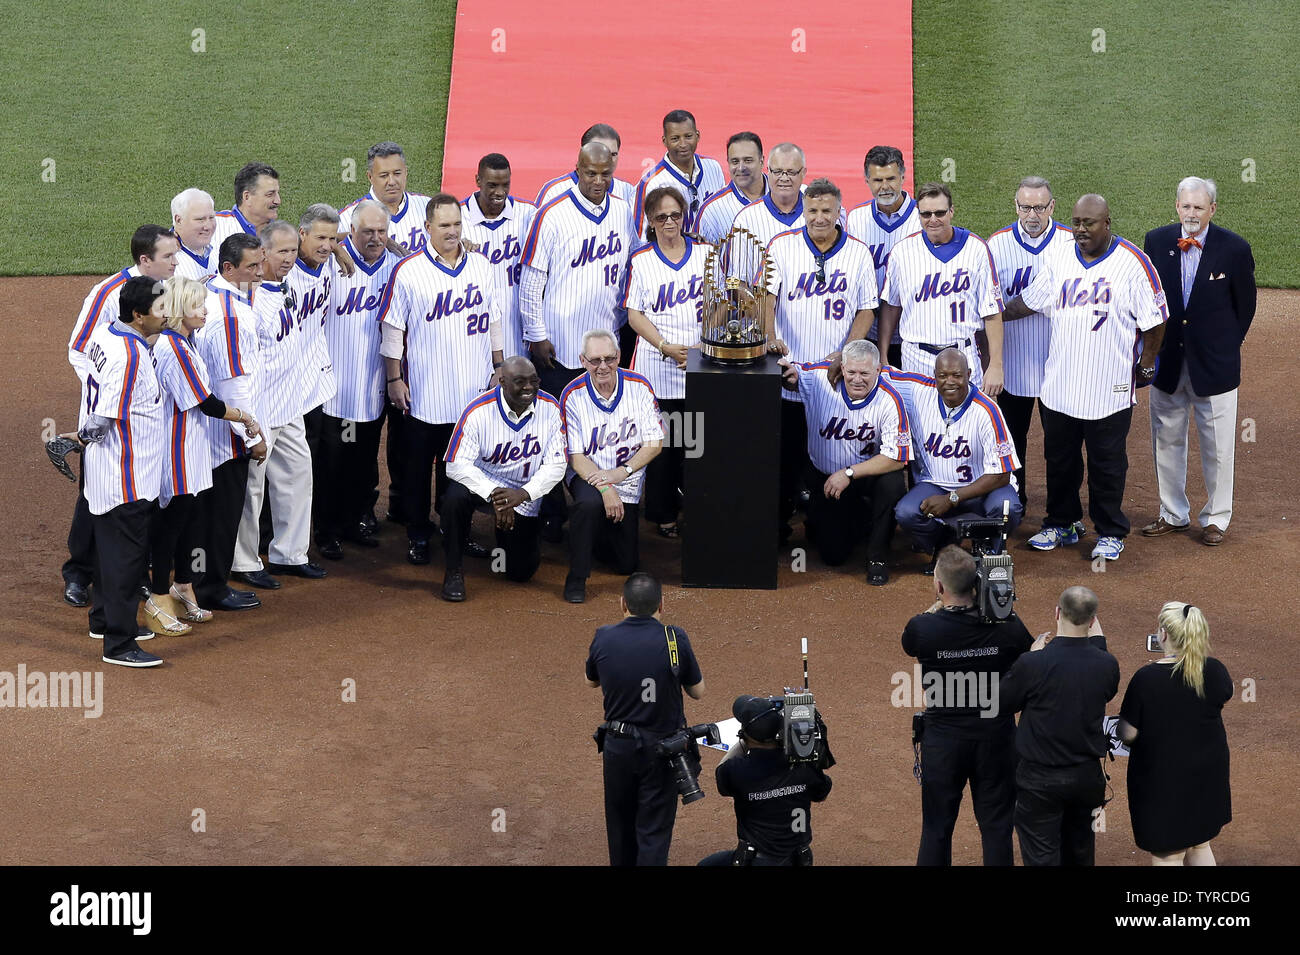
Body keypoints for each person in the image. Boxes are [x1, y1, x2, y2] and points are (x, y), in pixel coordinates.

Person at [1003, 194, 1167, 563]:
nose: (1080, 229)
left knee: (1106, 463)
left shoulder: (1133, 263)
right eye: (1076, 222)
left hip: (1108, 387)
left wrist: (1146, 364)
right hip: (1061, 383)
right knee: (1060, 459)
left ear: (1107, 222)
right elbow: (1030, 301)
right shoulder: (1059, 256)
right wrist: (990, 319)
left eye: (1089, 223)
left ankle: (1110, 530)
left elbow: (1156, 321)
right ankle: (1062, 522)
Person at [379, 193, 504, 567]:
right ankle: (418, 535)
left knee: (462, 471)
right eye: (444, 225)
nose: (452, 231)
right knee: (418, 471)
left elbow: (494, 320)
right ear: (427, 227)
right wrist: (394, 379)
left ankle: (458, 532)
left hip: (472, 392)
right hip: (427, 393)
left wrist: (499, 365)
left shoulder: (482, 266)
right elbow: (391, 331)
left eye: (456, 224)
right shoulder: (409, 270)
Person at [62, 225, 179, 608]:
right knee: (96, 499)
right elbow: (79, 349)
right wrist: (114, 390)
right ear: (145, 261)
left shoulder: (164, 288)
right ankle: (80, 572)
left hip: (143, 411)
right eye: (168, 257)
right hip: (107, 420)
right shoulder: (109, 294)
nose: (176, 263)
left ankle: (125, 578)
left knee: (135, 505)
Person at [1141, 177, 1256, 547]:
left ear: (1212, 209)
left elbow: (1245, 306)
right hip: (1168, 361)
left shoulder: (1234, 248)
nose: (1192, 213)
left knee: (1219, 446)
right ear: (1177, 206)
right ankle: (1173, 513)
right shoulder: (1156, 241)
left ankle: (1216, 518)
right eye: (1186, 206)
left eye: (1199, 207)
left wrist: (1225, 345)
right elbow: (1148, 300)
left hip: (1215, 364)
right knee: (1167, 439)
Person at [902, 546, 1033, 865]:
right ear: (977, 585)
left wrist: (939, 607)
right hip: (996, 739)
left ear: (939, 586)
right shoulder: (1008, 626)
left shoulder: (922, 628)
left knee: (936, 828)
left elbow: (910, 644)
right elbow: (1029, 657)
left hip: (944, 743)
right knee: (997, 828)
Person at [146, 276, 262, 634]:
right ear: (180, 309)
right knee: (171, 527)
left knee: (189, 521)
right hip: (175, 453)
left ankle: (183, 586)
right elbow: (207, 404)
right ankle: (158, 597)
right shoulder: (174, 348)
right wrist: (246, 418)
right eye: (197, 305)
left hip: (190, 451)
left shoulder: (185, 341)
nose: (205, 311)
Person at [765, 178, 878, 536]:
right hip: (790, 371)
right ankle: (780, 524)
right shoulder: (781, 246)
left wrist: (848, 351)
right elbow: (766, 298)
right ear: (804, 210)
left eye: (826, 210)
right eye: (812, 210)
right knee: (786, 452)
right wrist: (771, 340)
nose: (818, 217)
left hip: (835, 378)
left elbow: (867, 309)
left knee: (829, 451)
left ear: (838, 211)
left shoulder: (858, 252)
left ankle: (825, 519)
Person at [68, 277, 171, 666]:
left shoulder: (106, 334)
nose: (167, 315)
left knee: (105, 551)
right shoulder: (130, 355)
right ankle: (120, 643)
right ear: (139, 314)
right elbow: (104, 418)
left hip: (104, 469)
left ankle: (103, 620)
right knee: (126, 557)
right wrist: (79, 435)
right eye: (160, 310)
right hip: (126, 472)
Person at [586, 572, 706, 866]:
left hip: (618, 747)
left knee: (620, 828)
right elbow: (698, 692)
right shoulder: (674, 638)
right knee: (653, 832)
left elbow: (591, 681)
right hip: (662, 751)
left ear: (622, 603)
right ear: (661, 605)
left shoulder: (604, 636)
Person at [229, 220, 322, 591]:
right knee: (253, 489)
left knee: (298, 476)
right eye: (281, 252)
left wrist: (341, 247)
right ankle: (244, 561)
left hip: (290, 403)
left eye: (292, 251)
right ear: (262, 254)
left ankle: (290, 554)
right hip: (260, 410)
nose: (289, 258)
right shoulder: (246, 298)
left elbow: (328, 240)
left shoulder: (292, 283)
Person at [999, 586, 1120, 866]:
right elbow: (1099, 671)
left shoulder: (1032, 663)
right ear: (1092, 621)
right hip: (1086, 779)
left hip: (1039, 781)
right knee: (1080, 854)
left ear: (1056, 614)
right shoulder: (1106, 665)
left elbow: (1004, 703)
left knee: (1042, 858)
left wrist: (1030, 655)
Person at [780, 340, 909, 584]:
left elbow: (896, 459)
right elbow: (792, 372)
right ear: (841, 368)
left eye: (864, 373)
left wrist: (849, 473)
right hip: (825, 478)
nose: (857, 379)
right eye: (851, 372)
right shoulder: (818, 378)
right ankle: (855, 519)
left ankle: (877, 557)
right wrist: (785, 368)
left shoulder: (890, 399)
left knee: (892, 485)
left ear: (878, 371)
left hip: (865, 476)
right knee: (833, 555)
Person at [440, 356, 566, 601]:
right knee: (454, 497)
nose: (528, 387)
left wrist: (521, 495)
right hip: (484, 485)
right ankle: (453, 570)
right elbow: (455, 465)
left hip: (523, 491)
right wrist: (496, 495)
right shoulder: (477, 410)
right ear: (502, 382)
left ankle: (509, 535)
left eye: (533, 381)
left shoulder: (550, 408)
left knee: (520, 573)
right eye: (519, 381)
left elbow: (557, 465)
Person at [623, 186, 709, 539]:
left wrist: (702, 344)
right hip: (658, 367)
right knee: (662, 445)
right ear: (651, 221)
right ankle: (663, 513)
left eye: (676, 214)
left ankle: (696, 507)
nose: (670, 221)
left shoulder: (706, 254)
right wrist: (665, 346)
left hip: (699, 362)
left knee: (696, 444)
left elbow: (722, 302)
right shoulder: (642, 260)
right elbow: (633, 314)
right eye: (662, 217)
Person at [1118, 602, 1232, 865]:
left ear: (1164, 634)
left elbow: (1128, 734)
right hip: (1207, 777)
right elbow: (1222, 696)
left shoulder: (1146, 678)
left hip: (1163, 782)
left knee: (1168, 855)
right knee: (1199, 845)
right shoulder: (1215, 670)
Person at [317, 199, 399, 558]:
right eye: (368, 231)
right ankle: (326, 530)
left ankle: (355, 521)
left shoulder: (397, 266)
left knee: (365, 460)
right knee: (332, 463)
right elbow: (308, 238)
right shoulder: (329, 264)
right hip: (335, 388)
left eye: (382, 231)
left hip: (373, 386)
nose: (376, 237)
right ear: (351, 231)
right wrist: (334, 246)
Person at [191, 234, 269, 612]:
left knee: (204, 512)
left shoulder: (212, 294)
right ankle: (212, 588)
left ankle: (196, 582)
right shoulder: (232, 314)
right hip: (226, 434)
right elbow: (233, 384)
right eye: (251, 267)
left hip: (204, 431)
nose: (259, 272)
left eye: (260, 263)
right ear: (227, 268)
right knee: (221, 515)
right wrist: (251, 433)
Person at [987, 177, 1073, 510]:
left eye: (1039, 207)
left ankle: (1061, 512)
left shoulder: (1070, 243)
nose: (1032, 214)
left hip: (1059, 366)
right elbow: (987, 306)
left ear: (1052, 206)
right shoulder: (996, 245)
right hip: (1011, 364)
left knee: (1061, 445)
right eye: (1025, 207)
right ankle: (1013, 504)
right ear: (1016, 206)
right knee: (1011, 442)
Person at [894, 348, 1022, 573]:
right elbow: (877, 372)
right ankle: (945, 541)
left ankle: (988, 550)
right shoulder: (918, 391)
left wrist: (952, 498)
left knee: (1007, 508)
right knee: (906, 512)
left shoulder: (987, 410)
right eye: (942, 376)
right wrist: (839, 361)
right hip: (935, 482)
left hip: (985, 489)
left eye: (956, 375)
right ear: (934, 376)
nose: (949, 382)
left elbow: (1002, 474)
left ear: (969, 374)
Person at [560, 330, 664, 603]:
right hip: (588, 474)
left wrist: (621, 473)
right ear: (583, 360)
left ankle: (595, 535)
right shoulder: (572, 394)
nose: (602, 366)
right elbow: (576, 456)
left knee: (625, 564)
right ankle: (577, 577)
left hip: (626, 475)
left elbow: (655, 443)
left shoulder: (639, 385)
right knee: (589, 504)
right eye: (595, 360)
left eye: (609, 358)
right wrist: (606, 488)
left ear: (619, 356)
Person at [877, 182, 1005, 394]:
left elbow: (992, 312)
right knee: (917, 425)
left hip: (963, 356)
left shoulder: (977, 249)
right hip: (916, 359)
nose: (933, 219)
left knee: (966, 425)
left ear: (952, 211)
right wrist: (883, 355)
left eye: (940, 212)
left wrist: (995, 365)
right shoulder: (902, 252)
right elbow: (891, 307)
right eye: (926, 214)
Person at [698, 694, 832, 866]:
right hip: (799, 860)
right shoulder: (803, 766)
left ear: (745, 734)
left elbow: (721, 775)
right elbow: (822, 793)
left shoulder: (737, 770)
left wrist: (742, 743)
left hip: (758, 862)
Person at [846, 145, 922, 367]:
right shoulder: (856, 219)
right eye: (878, 180)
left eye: (891, 178)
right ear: (867, 180)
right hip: (867, 327)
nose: (885, 186)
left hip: (911, 329)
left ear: (903, 176)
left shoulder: (923, 218)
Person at [461, 153, 537, 358]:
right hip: (475, 323)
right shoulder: (458, 219)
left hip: (518, 319)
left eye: (505, 185)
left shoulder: (528, 214)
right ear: (478, 180)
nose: (500, 192)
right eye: (492, 185)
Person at [633, 109, 726, 237]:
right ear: (665, 141)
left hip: (713, 253)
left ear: (697, 136)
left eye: (688, 136)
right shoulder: (651, 183)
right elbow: (641, 240)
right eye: (675, 138)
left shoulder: (713, 168)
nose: (683, 144)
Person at [339, 141, 432, 255]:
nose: (392, 182)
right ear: (370, 177)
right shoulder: (346, 218)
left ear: (406, 172)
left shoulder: (428, 206)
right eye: (384, 176)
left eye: (397, 173)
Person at [535, 123, 637, 207]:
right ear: (582, 153)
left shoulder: (627, 191)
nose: (606, 159)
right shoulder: (554, 191)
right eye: (598, 152)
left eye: (613, 154)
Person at [696, 131, 767, 244]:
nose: (740, 168)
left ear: (762, 161)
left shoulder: (789, 197)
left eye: (748, 160)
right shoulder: (712, 211)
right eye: (735, 161)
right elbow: (700, 257)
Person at [211, 161, 282, 248]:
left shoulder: (283, 234)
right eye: (270, 194)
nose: (278, 201)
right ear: (247, 197)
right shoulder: (214, 225)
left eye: (277, 193)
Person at [170, 188, 219, 281]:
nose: (208, 226)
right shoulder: (163, 261)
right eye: (200, 219)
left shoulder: (222, 245)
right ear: (179, 220)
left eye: (212, 217)